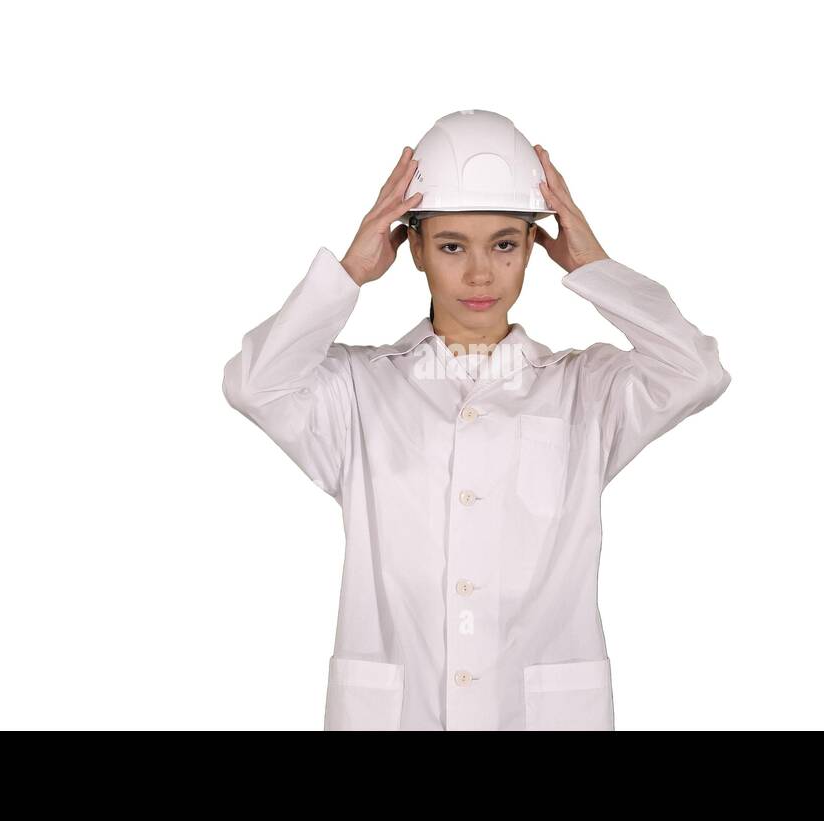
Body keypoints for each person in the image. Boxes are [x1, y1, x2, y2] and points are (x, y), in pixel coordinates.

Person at [222, 111, 731, 730]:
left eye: (505, 244)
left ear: (534, 248)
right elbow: (254, 385)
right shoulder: (356, 390)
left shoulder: (586, 389)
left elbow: (696, 373)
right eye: (452, 245)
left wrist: (592, 265)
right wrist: (349, 272)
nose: (480, 274)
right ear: (412, 248)